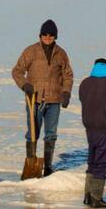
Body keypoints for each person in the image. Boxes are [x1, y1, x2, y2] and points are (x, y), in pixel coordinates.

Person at [11, 20, 73, 178]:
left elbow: (68, 75)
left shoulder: (61, 53)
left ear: (55, 36)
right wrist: (25, 85)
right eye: (45, 34)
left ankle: (48, 166)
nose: (47, 37)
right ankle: (31, 162)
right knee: (33, 133)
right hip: (34, 99)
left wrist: (66, 93)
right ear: (40, 35)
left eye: (51, 35)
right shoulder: (31, 51)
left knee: (51, 134)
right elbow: (17, 71)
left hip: (54, 100)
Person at [77, 57, 106, 208]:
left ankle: (87, 196)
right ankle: (96, 198)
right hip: (105, 127)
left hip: (90, 127)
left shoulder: (85, 83)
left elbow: (83, 101)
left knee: (92, 159)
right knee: (101, 161)